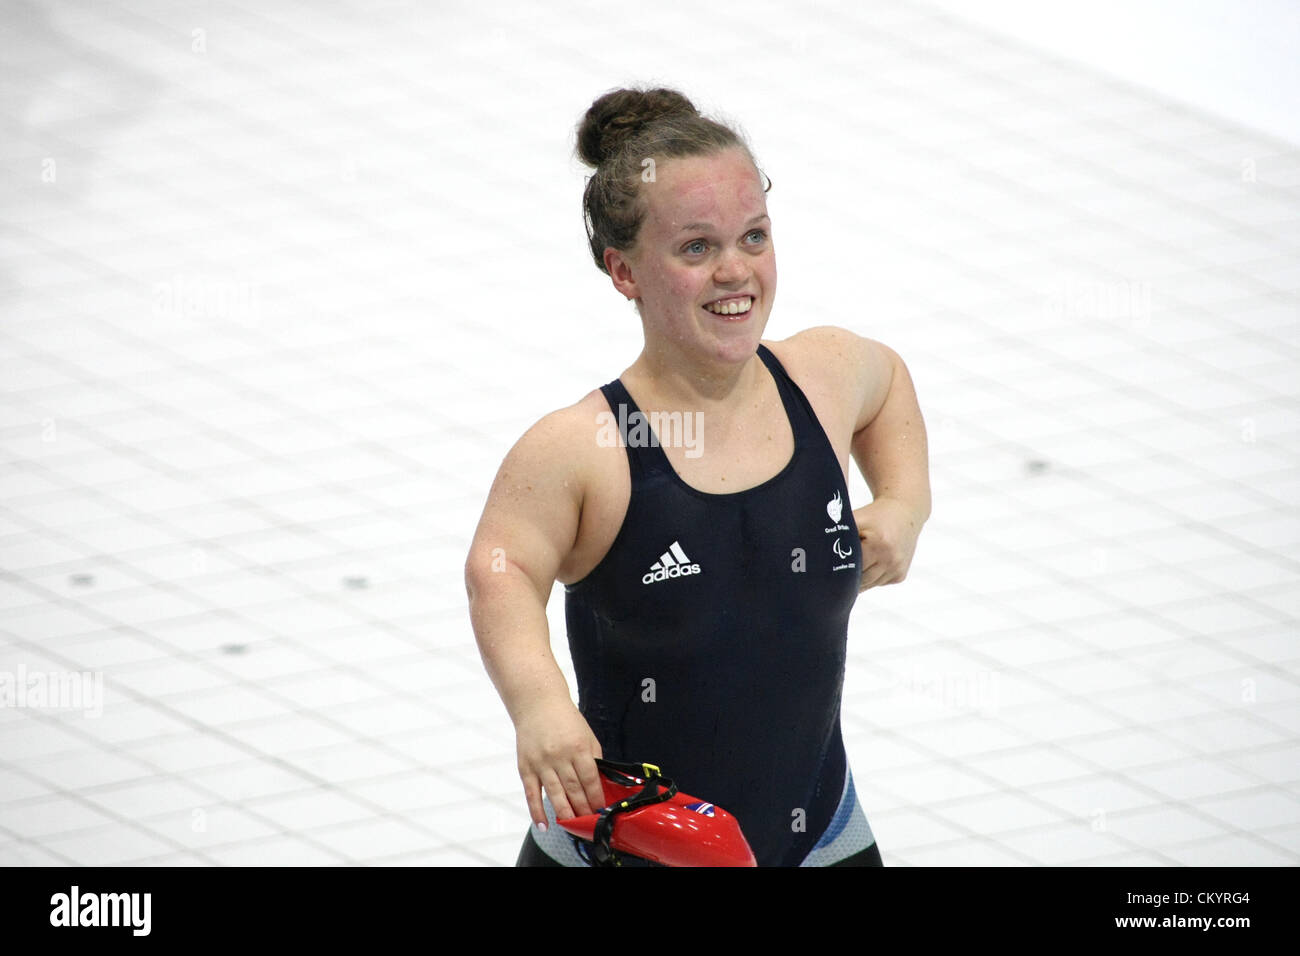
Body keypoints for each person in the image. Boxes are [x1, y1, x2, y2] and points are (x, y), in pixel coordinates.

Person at [464, 86, 931, 867]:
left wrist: (905, 503)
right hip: (620, 850)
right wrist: (540, 707)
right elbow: (499, 570)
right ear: (623, 271)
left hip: (819, 838)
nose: (734, 272)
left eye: (754, 237)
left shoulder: (820, 378)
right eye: (695, 248)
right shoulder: (589, 448)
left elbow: (888, 384)